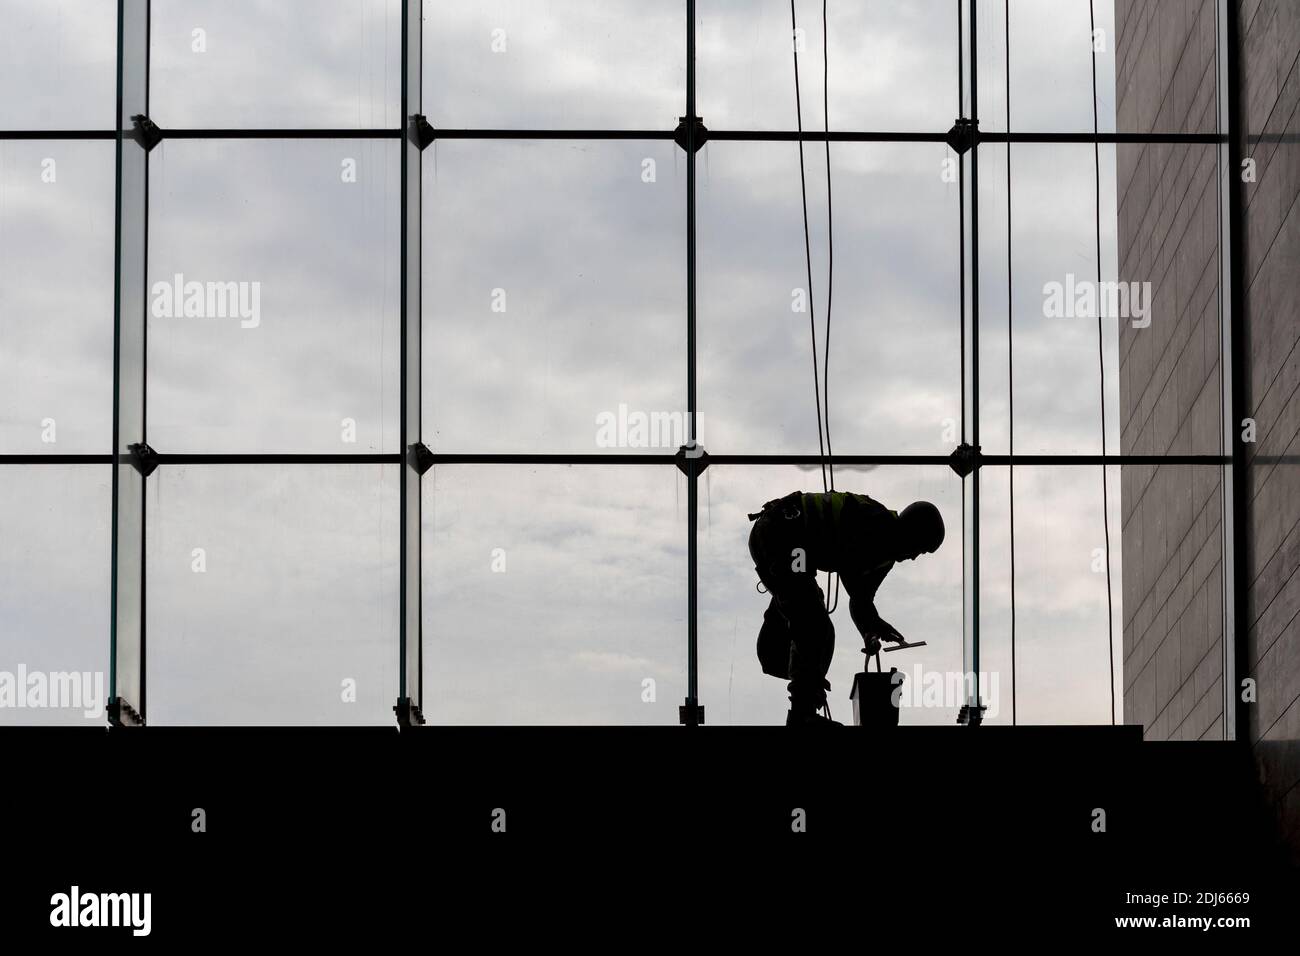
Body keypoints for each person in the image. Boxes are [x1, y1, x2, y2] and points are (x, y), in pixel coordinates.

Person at [747, 490, 945, 726]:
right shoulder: (877, 522)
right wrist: (870, 620)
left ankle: (789, 673)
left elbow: (860, 600)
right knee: (814, 623)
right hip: (783, 532)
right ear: (911, 531)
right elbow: (851, 569)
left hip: (784, 539)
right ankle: (802, 714)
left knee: (805, 608)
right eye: (920, 548)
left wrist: (870, 630)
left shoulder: (884, 556)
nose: (914, 557)